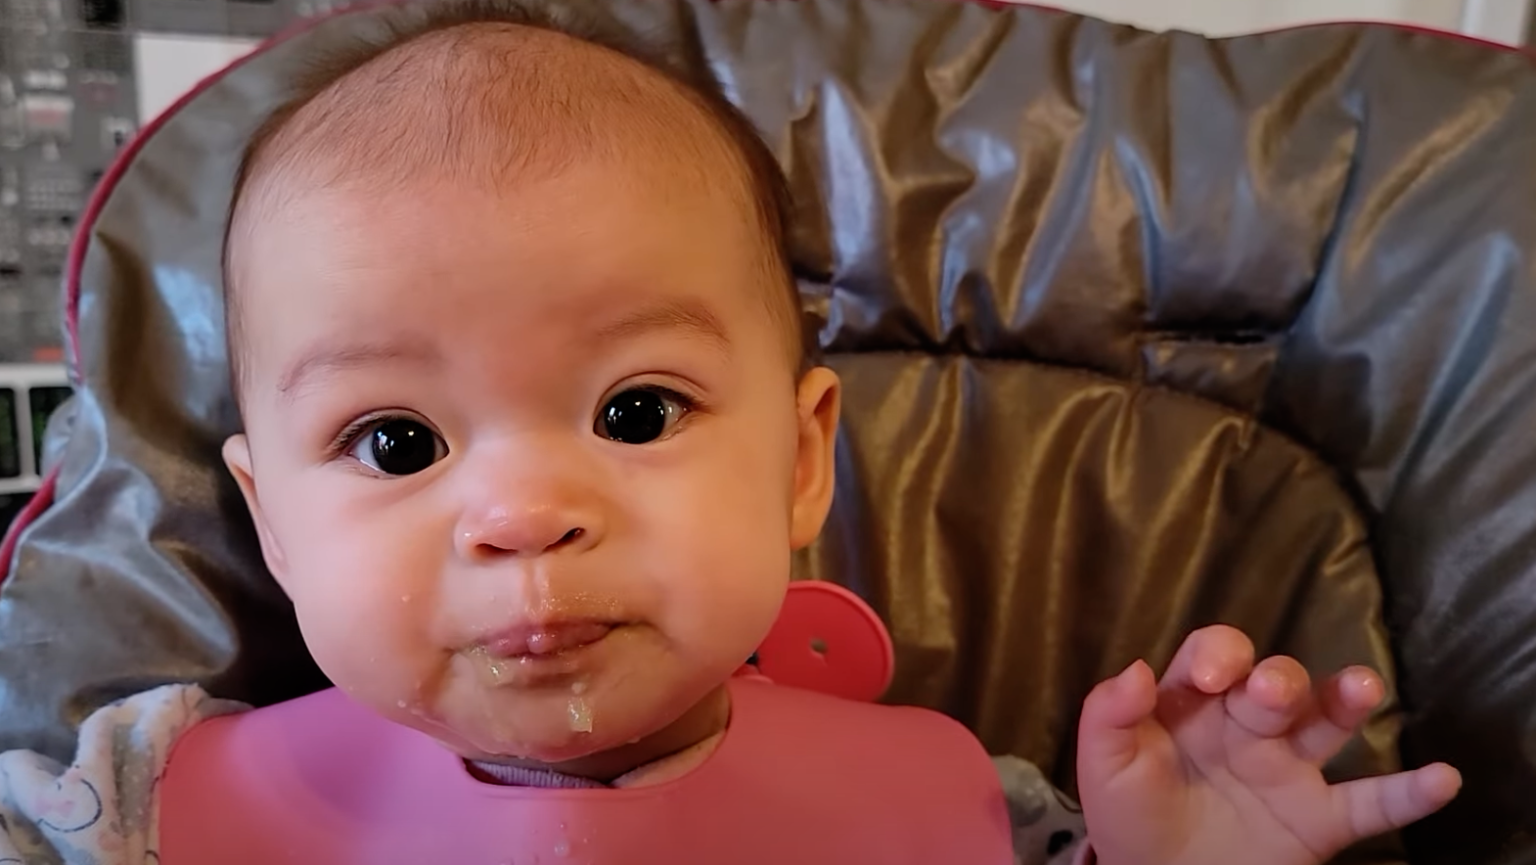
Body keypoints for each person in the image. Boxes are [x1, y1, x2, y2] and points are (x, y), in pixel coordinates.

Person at [0, 2, 1462, 863]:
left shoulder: (973, 812)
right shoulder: (124, 808)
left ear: (803, 462)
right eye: (394, 443)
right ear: (269, 521)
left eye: (637, 412)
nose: (521, 513)